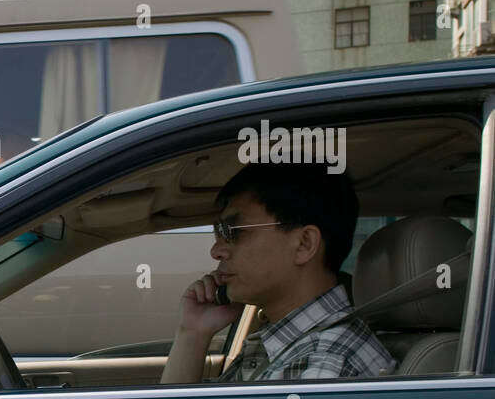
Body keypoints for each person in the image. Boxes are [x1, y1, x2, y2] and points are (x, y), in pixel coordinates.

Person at [160, 162, 396, 384]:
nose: (216, 250)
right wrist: (192, 332)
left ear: (304, 244)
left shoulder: (325, 365)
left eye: (233, 231)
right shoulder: (286, 345)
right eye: (218, 232)